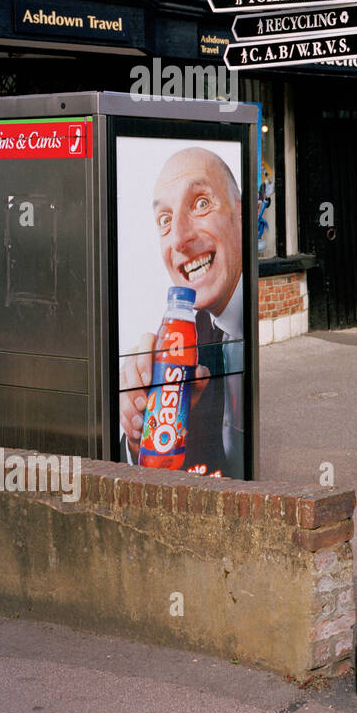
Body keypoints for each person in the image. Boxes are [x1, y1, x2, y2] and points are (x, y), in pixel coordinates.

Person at [120, 147, 244, 477]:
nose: (179, 238)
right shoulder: (190, 337)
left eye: (201, 202)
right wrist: (141, 436)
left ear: (241, 214)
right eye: (165, 220)